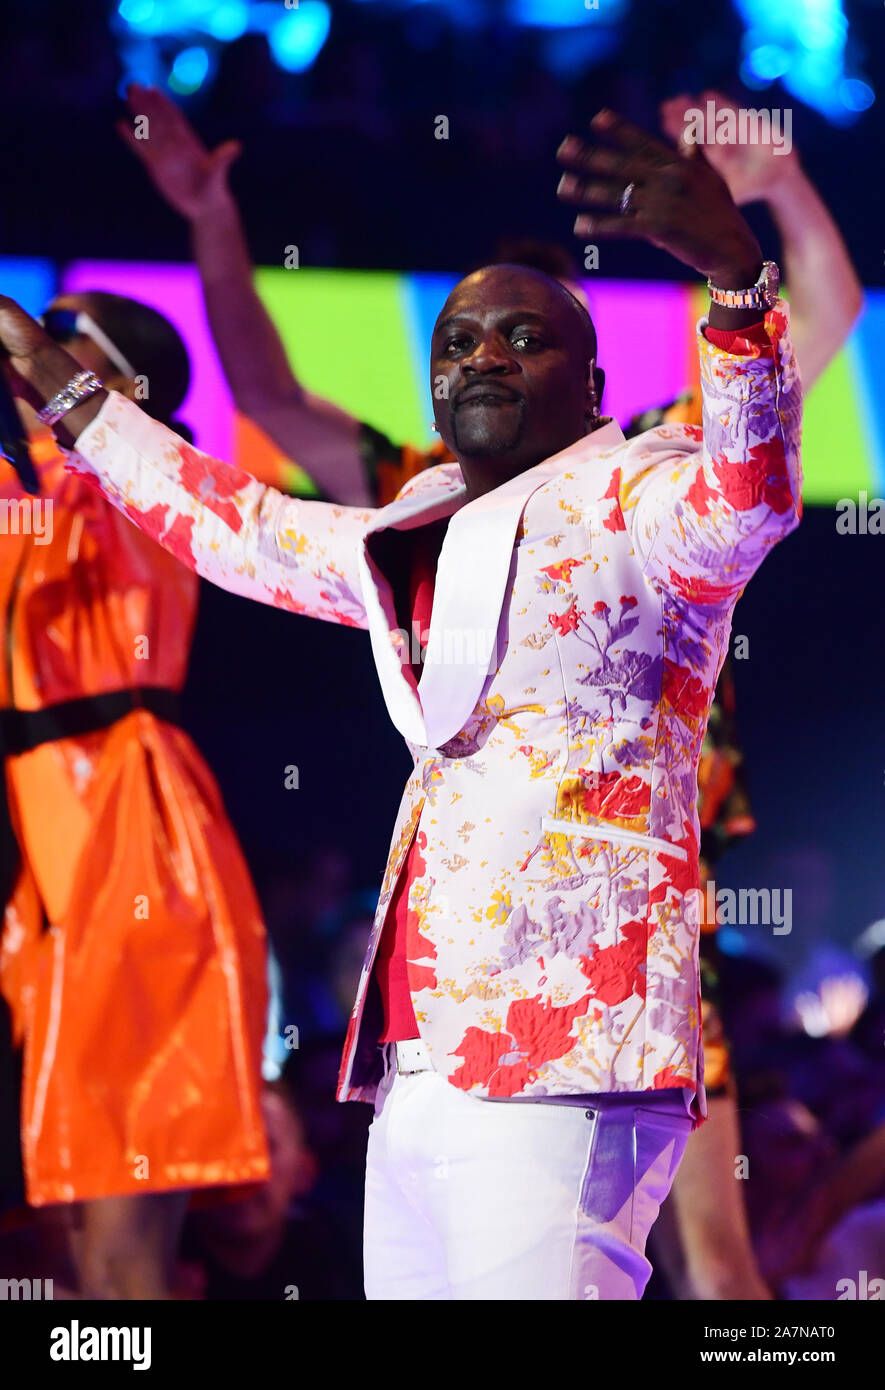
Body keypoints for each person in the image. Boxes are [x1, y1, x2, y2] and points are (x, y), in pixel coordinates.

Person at [0, 106, 802, 1300]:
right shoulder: (406, 527)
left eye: (520, 336)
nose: (479, 353)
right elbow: (240, 524)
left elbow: (754, 493)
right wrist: (59, 388)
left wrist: (738, 287)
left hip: (569, 1044)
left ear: (590, 384)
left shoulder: (645, 494)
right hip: (419, 1060)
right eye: (459, 340)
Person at [0, 291, 269, 1298]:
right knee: (76, 1252)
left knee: (122, 1257)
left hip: (140, 859)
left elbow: (79, 455)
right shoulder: (32, 493)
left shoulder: (141, 483)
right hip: (58, 874)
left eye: (65, 347)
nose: (29, 362)